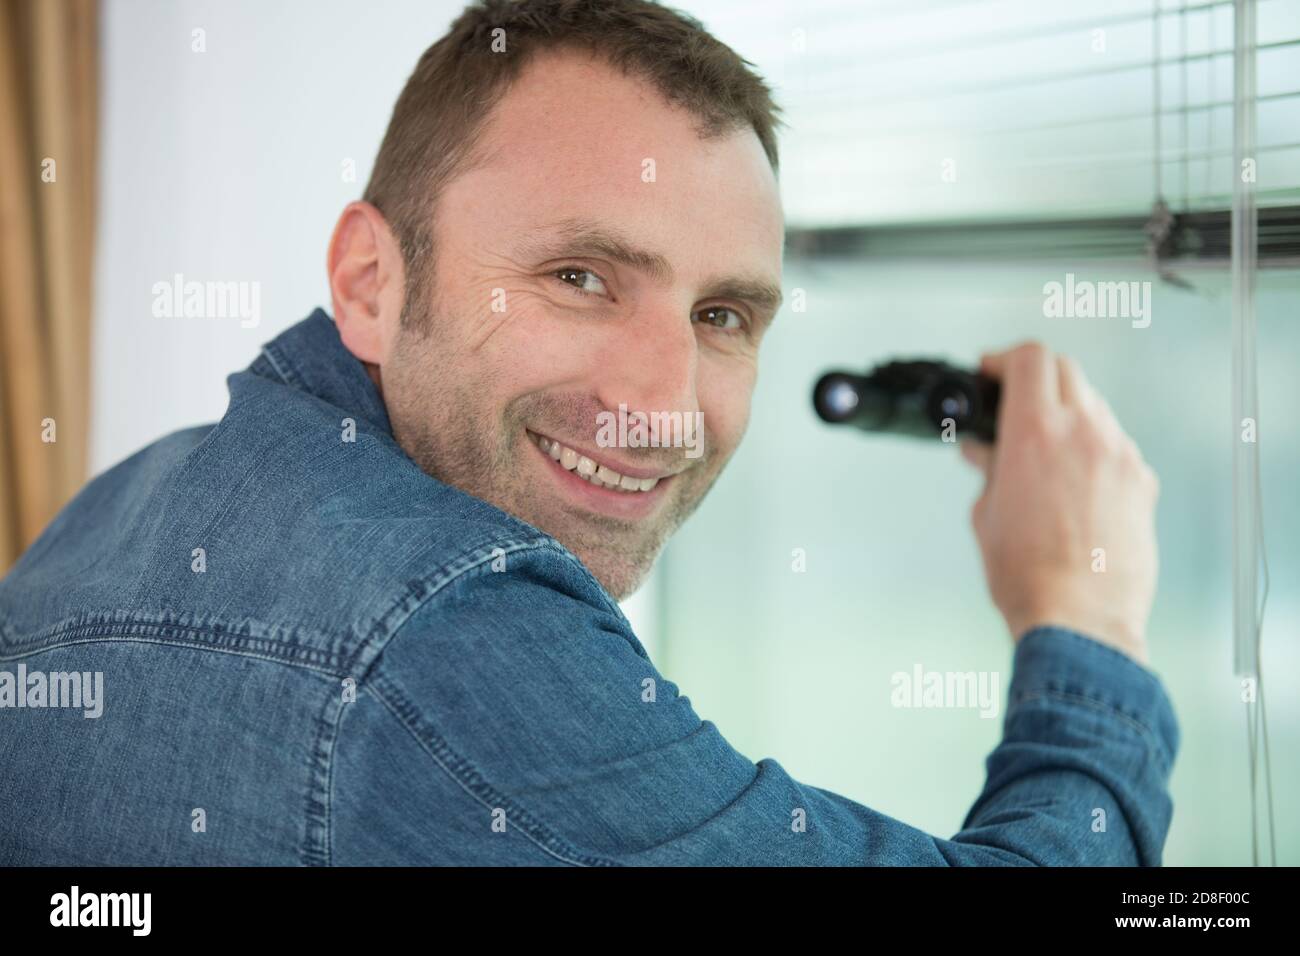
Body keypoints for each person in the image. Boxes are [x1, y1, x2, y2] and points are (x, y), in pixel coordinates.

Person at [0, 0, 1176, 865]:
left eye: (721, 314)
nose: (665, 397)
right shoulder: (448, 636)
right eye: (580, 275)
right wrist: (1081, 613)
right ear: (371, 279)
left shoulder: (118, 508)